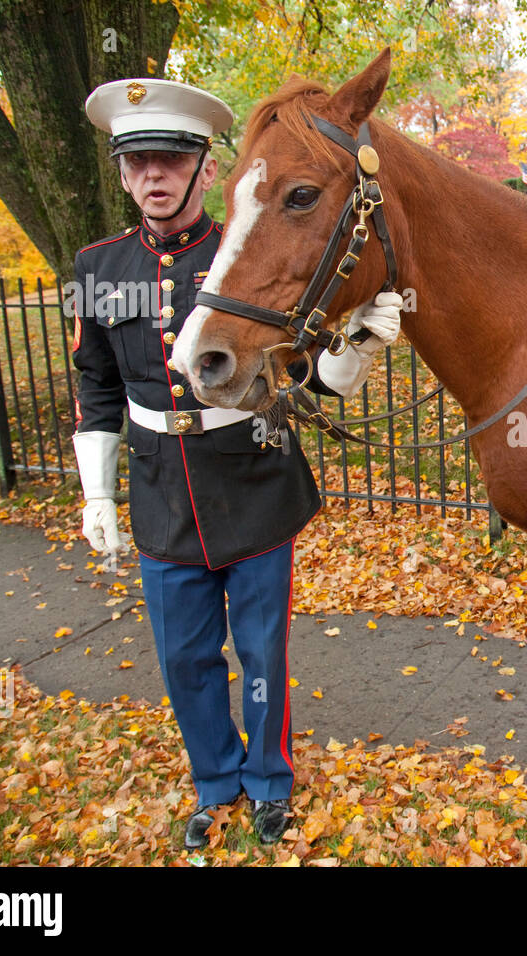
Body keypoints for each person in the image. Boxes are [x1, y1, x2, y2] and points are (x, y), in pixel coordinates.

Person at [73, 78, 402, 849]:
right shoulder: (96, 267)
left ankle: (268, 781)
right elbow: (95, 385)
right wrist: (97, 494)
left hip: (253, 479)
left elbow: (313, 376)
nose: (152, 176)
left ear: (198, 165)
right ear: (122, 173)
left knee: (260, 649)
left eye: (168, 159)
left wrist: (358, 347)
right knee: (184, 655)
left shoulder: (246, 245)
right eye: (137, 163)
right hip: (161, 489)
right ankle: (215, 780)